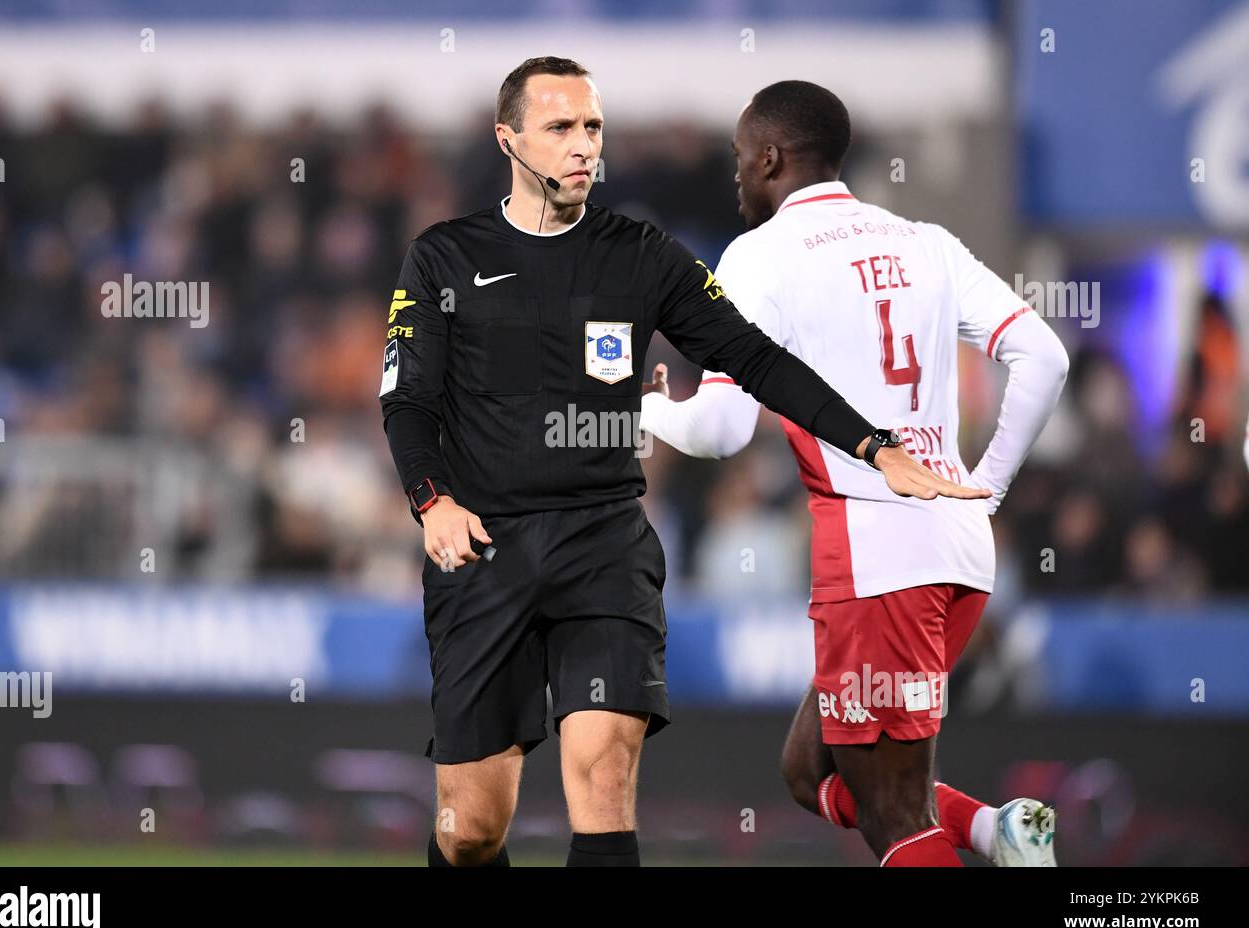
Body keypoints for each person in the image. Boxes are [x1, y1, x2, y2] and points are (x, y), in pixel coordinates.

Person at [379, 59, 988, 867]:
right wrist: (433, 503)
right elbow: (408, 401)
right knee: (472, 828)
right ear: (509, 139)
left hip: (603, 546)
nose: (583, 146)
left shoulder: (641, 254)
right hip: (484, 552)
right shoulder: (444, 258)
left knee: (601, 779)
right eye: (560, 128)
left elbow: (757, 359)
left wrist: (874, 445)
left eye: (593, 127)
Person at [640, 81, 1069, 866]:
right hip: (961, 553)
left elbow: (723, 429)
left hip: (878, 559)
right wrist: (989, 487)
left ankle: (965, 837)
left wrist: (648, 412)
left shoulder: (759, 257)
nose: (735, 179)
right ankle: (991, 832)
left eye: (740, 161)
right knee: (811, 771)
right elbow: (1043, 355)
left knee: (895, 816)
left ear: (769, 157)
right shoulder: (925, 241)